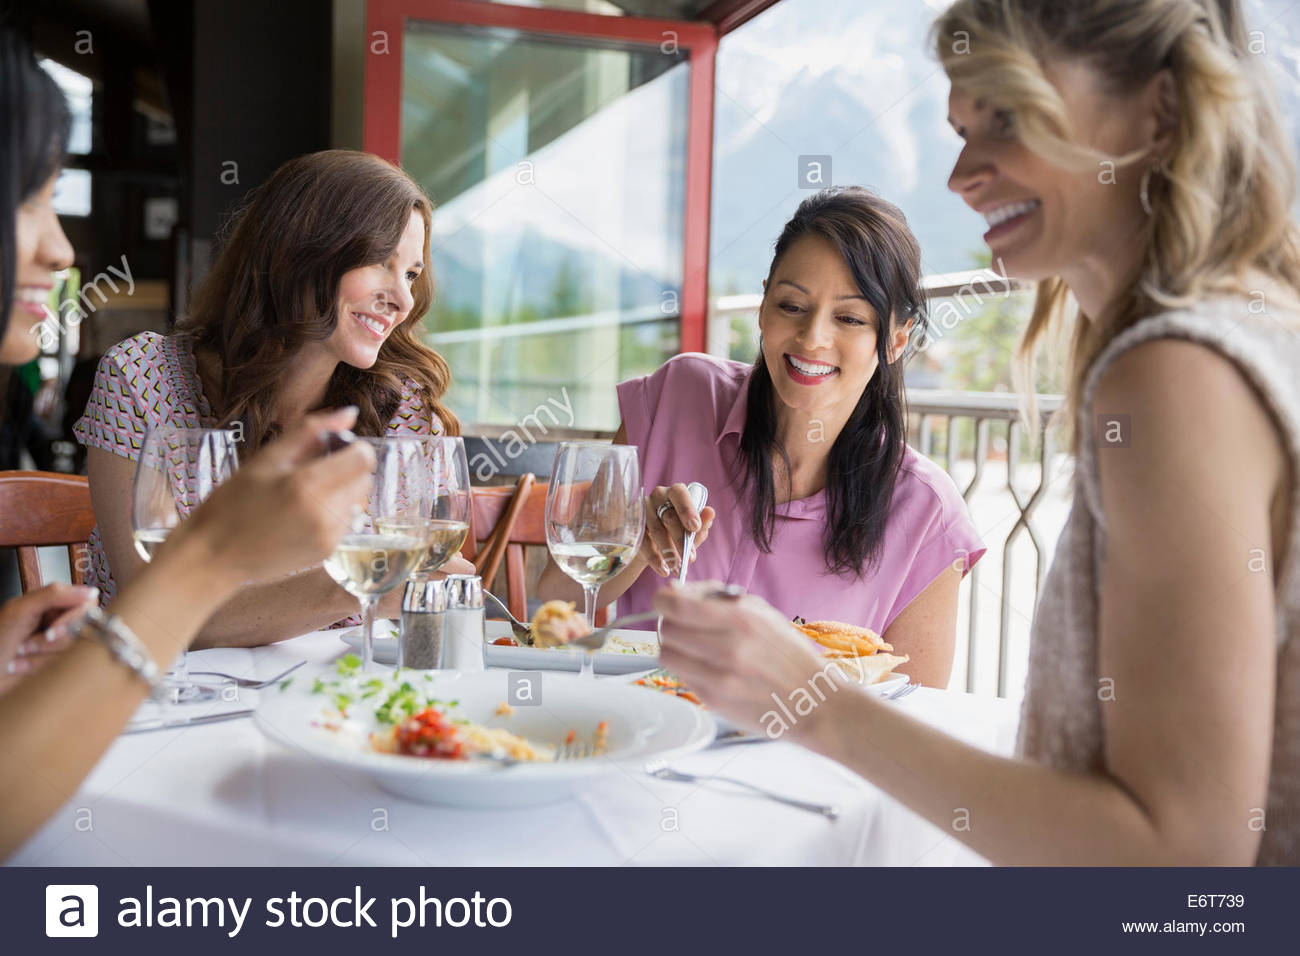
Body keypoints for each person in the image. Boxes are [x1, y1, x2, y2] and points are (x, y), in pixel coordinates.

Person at [655, 0, 1300, 865]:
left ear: (1160, 110)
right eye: (961, 127)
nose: (962, 173)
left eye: (1005, 115)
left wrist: (812, 700)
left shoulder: (1176, 374)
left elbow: (1183, 861)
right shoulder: (1243, 333)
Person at [0, 26, 376, 858]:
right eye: (30, 197)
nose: (62, 248)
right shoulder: (152, 372)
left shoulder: (391, 400)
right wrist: (215, 560)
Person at [539, 188, 985, 687]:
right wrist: (636, 544)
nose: (812, 337)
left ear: (896, 339)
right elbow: (552, 608)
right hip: (639, 736)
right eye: (791, 305)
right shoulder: (678, 397)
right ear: (762, 306)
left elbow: (911, 727)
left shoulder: (927, 512)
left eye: (850, 318)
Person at [74, 149, 474, 648]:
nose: (403, 298)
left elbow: (416, 624)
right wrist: (358, 583)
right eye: (379, 262)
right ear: (300, 252)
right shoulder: (143, 378)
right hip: (159, 705)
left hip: (330, 706)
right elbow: (152, 614)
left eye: (411, 274)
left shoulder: (404, 412)